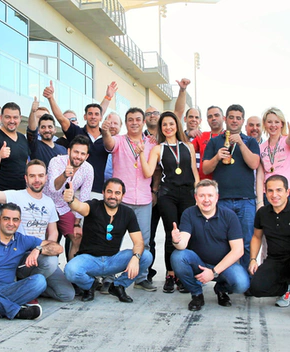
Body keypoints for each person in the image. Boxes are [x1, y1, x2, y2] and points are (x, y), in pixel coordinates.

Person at [0, 159, 75, 302]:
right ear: (26, 178)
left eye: (40, 176)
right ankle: (27, 289)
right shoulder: (16, 196)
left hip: (41, 253)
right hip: (20, 256)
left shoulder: (49, 202)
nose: (37, 180)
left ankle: (26, 288)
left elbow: (53, 232)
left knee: (67, 294)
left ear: (46, 177)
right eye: (32, 176)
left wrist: (42, 249)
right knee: (50, 262)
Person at [0, 203, 63, 321]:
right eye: (6, 219)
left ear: (19, 222)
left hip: (8, 289)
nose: (11, 223)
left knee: (40, 281)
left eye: (15, 220)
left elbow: (58, 248)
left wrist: (39, 249)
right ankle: (15, 311)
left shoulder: (22, 240)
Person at [63, 178, 153, 303]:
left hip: (113, 259)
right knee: (70, 270)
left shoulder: (128, 213)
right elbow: (80, 207)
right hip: (90, 259)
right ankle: (90, 286)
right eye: (109, 192)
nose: (113, 196)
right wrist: (71, 199)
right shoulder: (93, 206)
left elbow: (139, 242)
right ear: (103, 192)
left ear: (123, 195)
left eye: (117, 193)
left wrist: (135, 258)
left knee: (146, 256)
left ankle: (118, 286)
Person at [101, 108, 158, 292]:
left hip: (143, 199)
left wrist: (155, 190)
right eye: (131, 119)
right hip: (120, 201)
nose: (134, 122)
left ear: (143, 122)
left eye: (138, 119)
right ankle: (108, 278)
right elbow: (108, 143)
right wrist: (106, 132)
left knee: (144, 241)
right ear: (126, 123)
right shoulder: (118, 140)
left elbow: (154, 170)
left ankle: (141, 277)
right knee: (111, 239)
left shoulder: (151, 143)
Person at [170, 180, 249, 310]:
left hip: (224, 266)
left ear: (217, 197)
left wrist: (213, 272)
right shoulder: (189, 213)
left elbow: (238, 250)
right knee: (178, 256)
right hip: (199, 263)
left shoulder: (229, 216)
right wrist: (176, 240)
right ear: (196, 197)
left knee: (242, 283)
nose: (206, 200)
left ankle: (221, 289)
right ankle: (197, 293)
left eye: (210, 195)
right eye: (202, 196)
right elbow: (182, 245)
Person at [143, 111, 199, 293]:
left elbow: (194, 172)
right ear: (161, 128)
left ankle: (183, 275)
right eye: (164, 124)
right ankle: (170, 274)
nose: (168, 127)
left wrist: (198, 194)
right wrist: (139, 156)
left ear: (177, 125)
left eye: (171, 124)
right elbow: (148, 172)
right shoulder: (157, 149)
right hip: (167, 195)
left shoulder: (188, 146)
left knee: (186, 235)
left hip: (187, 195)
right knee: (171, 233)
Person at [248, 175, 290, 320]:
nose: (274, 195)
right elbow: (256, 237)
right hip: (275, 259)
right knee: (256, 288)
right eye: (270, 191)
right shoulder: (262, 213)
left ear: (287, 192)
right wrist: (253, 259)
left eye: (279, 190)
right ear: (265, 193)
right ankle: (287, 288)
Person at [202, 104, 261, 269]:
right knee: (222, 243)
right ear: (225, 119)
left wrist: (241, 144)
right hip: (222, 201)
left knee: (247, 242)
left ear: (242, 121)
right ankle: (224, 284)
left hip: (246, 200)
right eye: (231, 117)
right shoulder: (214, 142)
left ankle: (247, 281)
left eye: (238, 118)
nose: (234, 121)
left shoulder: (250, 141)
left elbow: (254, 164)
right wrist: (217, 157)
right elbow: (206, 168)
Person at [44, 81, 115, 194]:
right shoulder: (76, 132)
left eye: (96, 114)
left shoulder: (106, 137)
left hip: (96, 190)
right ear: (85, 116)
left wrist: (108, 97)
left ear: (101, 117)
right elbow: (61, 118)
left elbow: (98, 112)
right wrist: (50, 98)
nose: (93, 117)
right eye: (90, 114)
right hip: (74, 188)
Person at [44, 135, 94, 261]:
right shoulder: (56, 161)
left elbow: (84, 198)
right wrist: (65, 175)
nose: (78, 156)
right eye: (76, 152)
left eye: (83, 154)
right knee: (48, 238)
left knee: (77, 236)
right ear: (69, 151)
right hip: (47, 204)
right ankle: (46, 271)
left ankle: (72, 273)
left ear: (87, 156)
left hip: (64, 207)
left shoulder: (88, 169)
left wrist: (77, 223)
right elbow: (53, 188)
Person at [0, 102, 31, 228]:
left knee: (18, 231)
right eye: (8, 117)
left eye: (15, 117)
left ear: (20, 118)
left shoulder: (22, 138)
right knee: (0, 231)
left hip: (20, 193)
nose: (12, 121)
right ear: (2, 118)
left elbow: (25, 162)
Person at [256, 107, 290, 207]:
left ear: (282, 124)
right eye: (269, 122)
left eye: (277, 122)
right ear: (264, 124)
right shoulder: (261, 147)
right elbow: (260, 176)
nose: (273, 125)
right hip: (269, 192)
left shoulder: (286, 140)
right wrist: (260, 201)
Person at [25, 97, 66, 168]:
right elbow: (31, 130)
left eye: (50, 127)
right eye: (43, 127)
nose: (47, 130)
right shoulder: (35, 145)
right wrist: (33, 111)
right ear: (39, 130)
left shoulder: (63, 149)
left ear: (55, 129)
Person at [192, 106, 225, 181]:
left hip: (223, 182)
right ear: (207, 120)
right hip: (204, 182)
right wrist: (188, 134)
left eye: (216, 115)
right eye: (210, 116)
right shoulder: (201, 136)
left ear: (223, 118)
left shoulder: (229, 137)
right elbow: (185, 150)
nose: (213, 118)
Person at [102, 112, 123, 182]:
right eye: (110, 123)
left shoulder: (125, 144)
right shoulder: (97, 142)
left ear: (121, 126)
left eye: (116, 123)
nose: (112, 126)